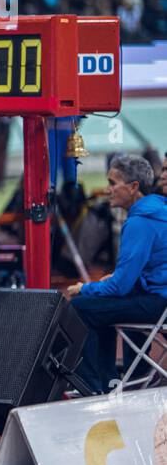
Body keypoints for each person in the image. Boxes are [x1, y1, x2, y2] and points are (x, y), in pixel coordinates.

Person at [66, 155, 167, 393]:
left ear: (133, 187)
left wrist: (85, 288)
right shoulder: (159, 209)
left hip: (159, 303)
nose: (107, 190)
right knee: (110, 301)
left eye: (113, 183)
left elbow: (119, 287)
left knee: (82, 306)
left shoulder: (140, 222)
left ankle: (93, 387)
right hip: (161, 298)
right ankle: (135, 374)